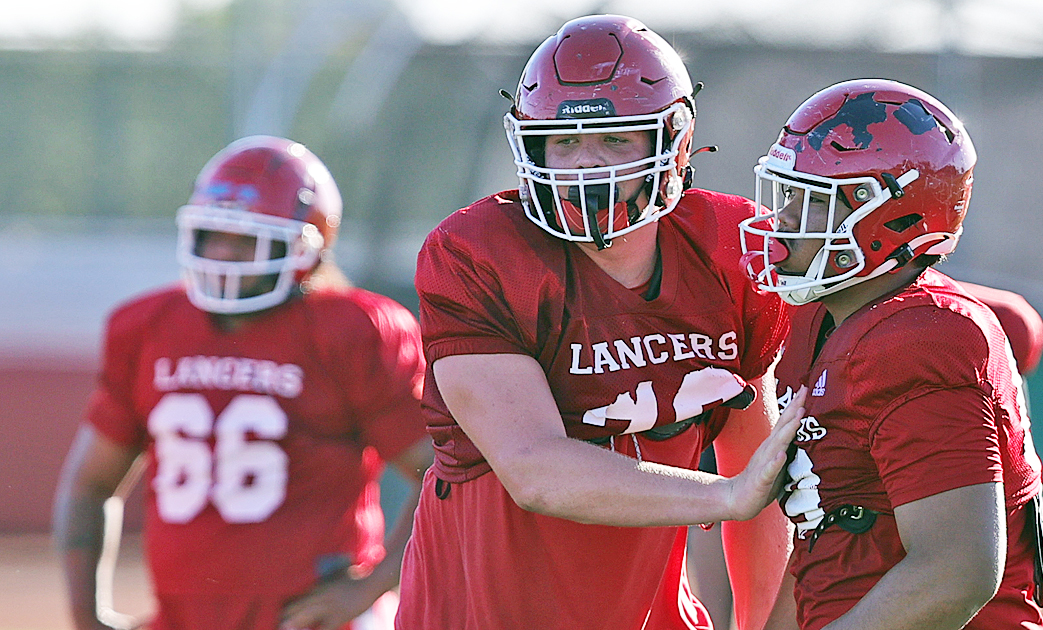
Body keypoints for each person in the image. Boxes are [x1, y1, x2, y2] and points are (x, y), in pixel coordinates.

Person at [397, 14, 800, 630]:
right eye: (563, 142)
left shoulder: (728, 251)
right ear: (531, 146)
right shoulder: (477, 254)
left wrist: (760, 625)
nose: (586, 165)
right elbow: (535, 469)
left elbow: (758, 478)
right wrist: (725, 496)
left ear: (674, 142)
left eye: (615, 140)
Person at [53, 135, 431, 630]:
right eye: (213, 234)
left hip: (310, 616)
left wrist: (372, 587)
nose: (224, 253)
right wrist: (88, 618)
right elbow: (91, 485)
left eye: (246, 238)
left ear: (304, 244)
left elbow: (441, 471)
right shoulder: (146, 327)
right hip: (184, 616)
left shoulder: (352, 329)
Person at [738, 79, 1043, 630]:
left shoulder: (921, 338)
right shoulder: (822, 319)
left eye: (807, 202)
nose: (782, 220)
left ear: (887, 217)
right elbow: (823, 536)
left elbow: (954, 572)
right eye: (784, 195)